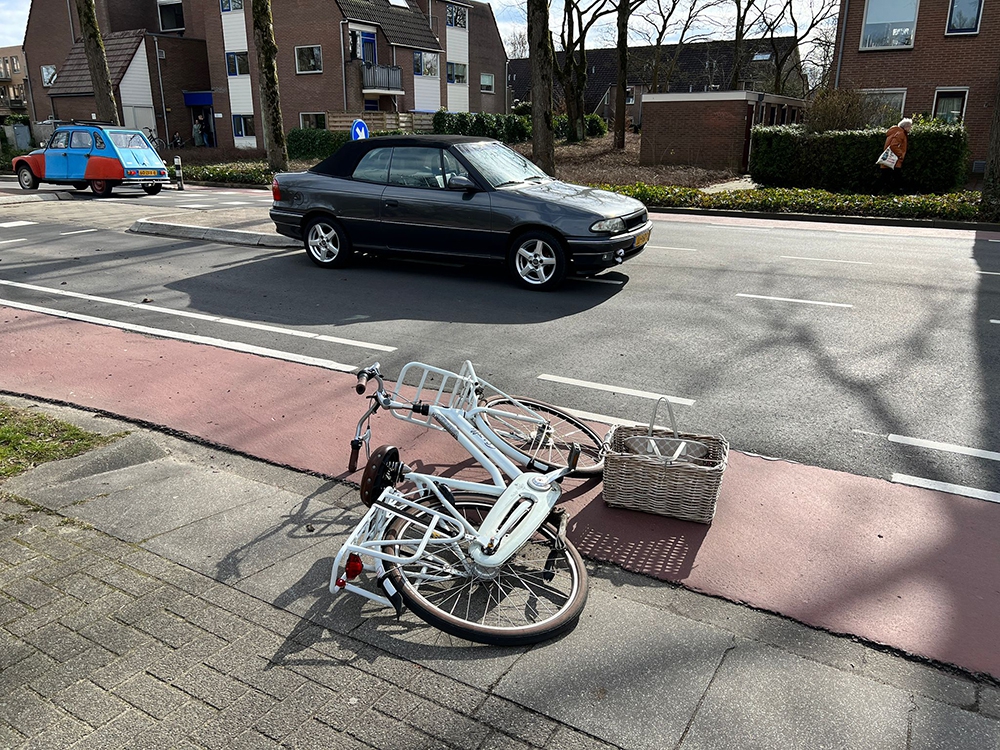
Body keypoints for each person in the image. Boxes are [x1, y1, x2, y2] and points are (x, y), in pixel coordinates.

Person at [879, 117, 912, 193]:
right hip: (894, 160)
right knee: (896, 177)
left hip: (889, 159)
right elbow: (893, 145)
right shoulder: (900, 133)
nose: (910, 128)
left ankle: (885, 193)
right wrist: (900, 155)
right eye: (910, 126)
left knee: (886, 177)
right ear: (906, 127)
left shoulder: (894, 132)